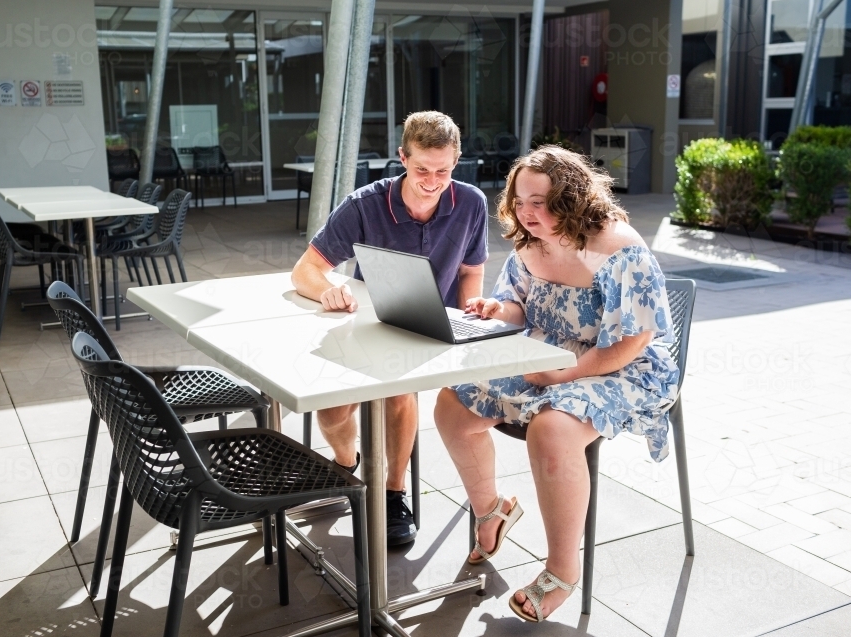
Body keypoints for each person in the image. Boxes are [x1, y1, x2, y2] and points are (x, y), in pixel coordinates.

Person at [434, 145, 679, 622]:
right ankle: (492, 512)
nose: (526, 213)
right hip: (547, 354)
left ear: (570, 200)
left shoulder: (619, 248)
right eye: (519, 201)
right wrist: (496, 310)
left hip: (623, 366)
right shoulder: (531, 240)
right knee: (452, 404)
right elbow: (519, 306)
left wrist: (564, 375)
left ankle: (563, 569)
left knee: (552, 429)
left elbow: (634, 340)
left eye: (539, 202)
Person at [291, 111, 489, 545]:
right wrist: (326, 290)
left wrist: (466, 314)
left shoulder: (471, 202)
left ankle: (392, 492)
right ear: (402, 156)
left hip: (427, 328)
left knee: (399, 390)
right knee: (332, 412)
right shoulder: (365, 204)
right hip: (365, 325)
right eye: (422, 169)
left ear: (456, 160)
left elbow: (471, 271)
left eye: (443, 170)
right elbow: (304, 271)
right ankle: (346, 465)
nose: (433, 180)